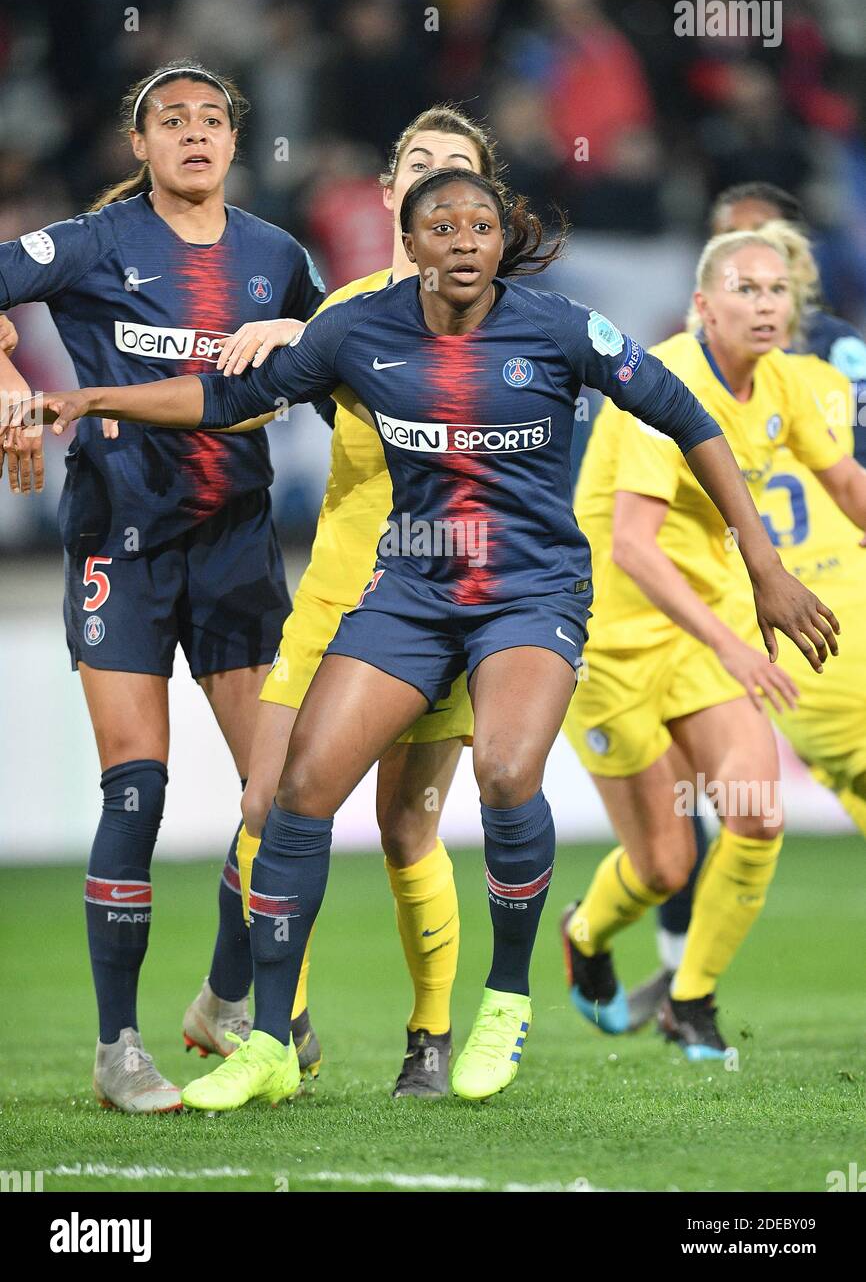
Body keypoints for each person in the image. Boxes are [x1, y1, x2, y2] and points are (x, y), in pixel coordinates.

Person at [9, 170, 838, 1110]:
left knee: (508, 774)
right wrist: (92, 401)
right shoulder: (360, 329)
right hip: (409, 588)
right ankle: (272, 1043)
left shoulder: (558, 327)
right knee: (298, 793)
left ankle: (506, 1001)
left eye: (481, 224)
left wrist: (764, 562)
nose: (463, 239)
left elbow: (687, 415)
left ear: (499, 240)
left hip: (530, 593)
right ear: (410, 240)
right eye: (441, 224)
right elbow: (227, 400)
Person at [0, 60, 325, 1112]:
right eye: (169, 120)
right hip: (118, 542)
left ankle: (226, 999)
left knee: (278, 801)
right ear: (137, 147)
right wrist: (10, 381)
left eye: (213, 118)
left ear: (236, 142)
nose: (194, 132)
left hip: (238, 541)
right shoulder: (94, 243)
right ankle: (116, 1049)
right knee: (136, 787)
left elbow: (347, 364)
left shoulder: (276, 257)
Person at [188, 106, 502, 1098]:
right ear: (389, 197)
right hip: (334, 593)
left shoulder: (511, 318)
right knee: (269, 802)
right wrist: (294, 334)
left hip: (440, 599)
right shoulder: (345, 313)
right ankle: (277, 1029)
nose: (438, 182)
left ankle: (429, 1034)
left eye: (458, 169)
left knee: (406, 825)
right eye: (419, 165)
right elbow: (254, 391)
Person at [560, 222, 866, 1058]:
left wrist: (729, 643)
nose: (765, 304)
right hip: (612, 642)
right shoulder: (662, 386)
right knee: (661, 865)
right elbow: (632, 546)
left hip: (711, 630)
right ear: (703, 305)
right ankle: (586, 932)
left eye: (776, 290)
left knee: (756, 815)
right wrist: (736, 648)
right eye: (745, 288)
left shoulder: (784, 385)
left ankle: (689, 1001)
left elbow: (844, 481)